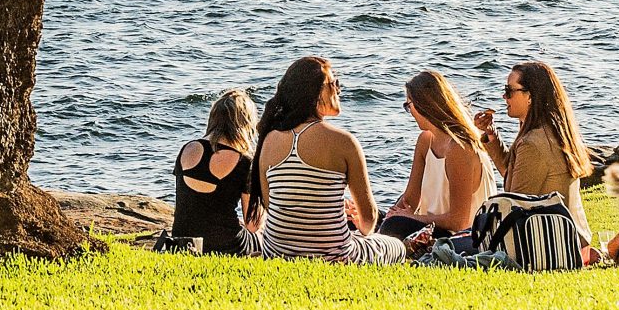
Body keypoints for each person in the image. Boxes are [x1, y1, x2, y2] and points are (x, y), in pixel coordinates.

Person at [241, 57, 408, 264]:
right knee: (395, 246)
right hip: (334, 256)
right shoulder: (344, 141)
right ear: (317, 92)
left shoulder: (269, 140)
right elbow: (368, 221)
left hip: (278, 252)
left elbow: (269, 204)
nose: (338, 89)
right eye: (333, 83)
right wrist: (358, 224)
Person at [474, 60, 597, 256]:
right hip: (571, 242)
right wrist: (491, 134)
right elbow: (513, 174)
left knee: (453, 243)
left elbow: (513, 201)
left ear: (530, 96)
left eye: (509, 90)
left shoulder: (533, 142)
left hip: (548, 246)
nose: (504, 96)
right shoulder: (553, 131)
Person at [380, 70, 496, 250]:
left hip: (464, 238)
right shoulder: (425, 140)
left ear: (423, 105)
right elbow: (409, 199)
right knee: (379, 221)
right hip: (434, 228)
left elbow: (459, 221)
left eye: (408, 105)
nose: (409, 112)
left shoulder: (459, 147)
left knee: (394, 226)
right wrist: (385, 215)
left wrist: (410, 218)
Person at [166, 88, 258, 254]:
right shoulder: (245, 162)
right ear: (245, 125)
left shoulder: (188, 148)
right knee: (260, 237)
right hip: (225, 245)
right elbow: (253, 224)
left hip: (182, 241)